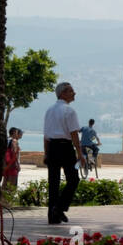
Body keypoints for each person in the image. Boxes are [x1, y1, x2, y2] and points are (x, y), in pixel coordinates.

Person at [43, 82, 85, 225]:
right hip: (66, 147)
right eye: (71, 91)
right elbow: (74, 134)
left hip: (53, 147)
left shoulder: (49, 110)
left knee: (53, 183)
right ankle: (59, 208)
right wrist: (80, 153)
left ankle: (53, 216)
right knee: (73, 179)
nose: (74, 93)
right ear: (62, 93)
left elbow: (46, 136)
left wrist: (46, 154)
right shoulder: (69, 111)